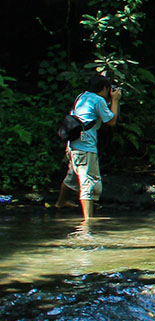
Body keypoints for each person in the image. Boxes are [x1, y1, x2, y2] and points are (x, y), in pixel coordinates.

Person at [54, 74, 120, 221]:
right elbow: (111, 121)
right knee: (88, 181)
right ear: (104, 88)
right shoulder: (98, 100)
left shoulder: (82, 96)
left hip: (73, 145)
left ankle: (60, 203)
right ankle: (88, 220)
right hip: (86, 148)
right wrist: (115, 100)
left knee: (71, 177)